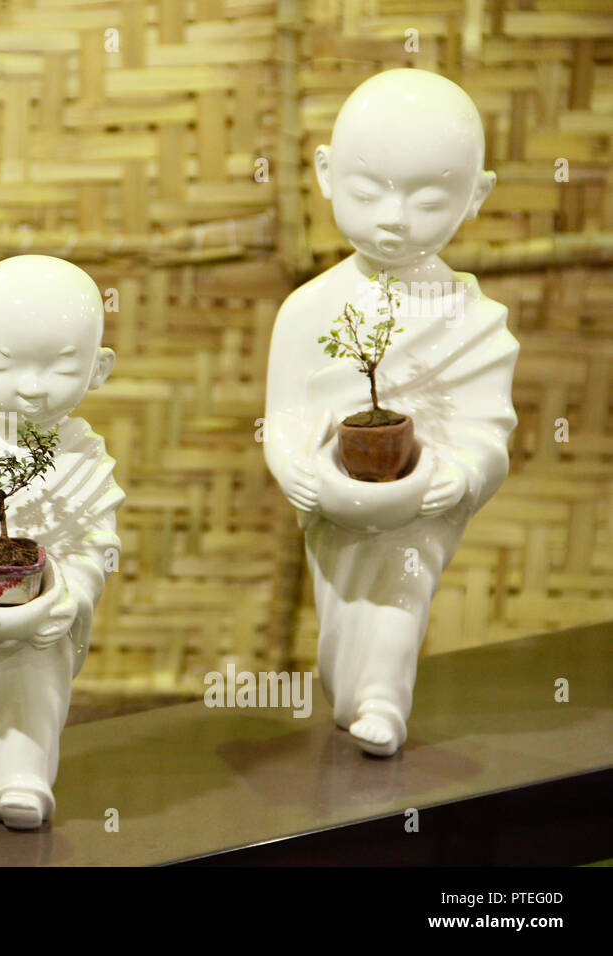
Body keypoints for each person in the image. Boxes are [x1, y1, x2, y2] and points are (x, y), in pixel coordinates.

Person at [263, 69, 519, 756]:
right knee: (344, 608)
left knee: (402, 582)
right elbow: (284, 415)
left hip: (418, 500)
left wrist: (460, 476)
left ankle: (383, 699)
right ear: (323, 174)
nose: (393, 217)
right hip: (335, 497)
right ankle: (354, 692)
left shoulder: (476, 320)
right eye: (367, 190)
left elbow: (486, 426)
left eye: (429, 198)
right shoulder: (308, 309)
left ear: (476, 196)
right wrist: (293, 466)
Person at [0, 255, 124, 828]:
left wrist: (76, 589)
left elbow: (97, 545)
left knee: (37, 684)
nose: (32, 389)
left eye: (61, 367)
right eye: (7, 366)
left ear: (99, 368)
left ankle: (23, 776)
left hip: (47, 619)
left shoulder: (86, 459)